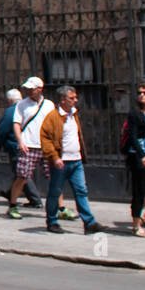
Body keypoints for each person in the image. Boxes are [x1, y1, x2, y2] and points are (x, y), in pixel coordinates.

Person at [39, 86, 107, 234]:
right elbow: (46, 139)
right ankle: (52, 221)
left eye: (75, 98)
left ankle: (89, 222)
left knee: (81, 191)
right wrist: (55, 157)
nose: (75, 100)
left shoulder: (74, 115)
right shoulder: (53, 117)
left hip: (76, 160)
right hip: (61, 162)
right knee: (55, 192)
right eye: (72, 98)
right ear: (63, 100)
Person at [6, 76, 63, 220]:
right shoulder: (22, 105)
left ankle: (61, 207)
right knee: (22, 177)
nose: (29, 91)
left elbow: (55, 124)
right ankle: (12, 205)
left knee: (55, 177)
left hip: (46, 146)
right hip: (29, 145)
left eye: (31, 89)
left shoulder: (49, 105)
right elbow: (16, 123)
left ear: (39, 89)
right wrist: (20, 141)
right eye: (27, 89)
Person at [0, 88, 44, 207]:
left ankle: (35, 199)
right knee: (20, 172)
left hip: (16, 145)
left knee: (22, 173)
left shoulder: (11, 110)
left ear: (10, 100)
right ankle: (11, 193)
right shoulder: (29, 107)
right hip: (32, 144)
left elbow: (3, 130)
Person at [125, 78, 145, 237]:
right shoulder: (135, 113)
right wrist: (143, 156)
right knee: (139, 190)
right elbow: (132, 137)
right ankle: (136, 225)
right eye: (139, 93)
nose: (141, 95)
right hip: (138, 155)